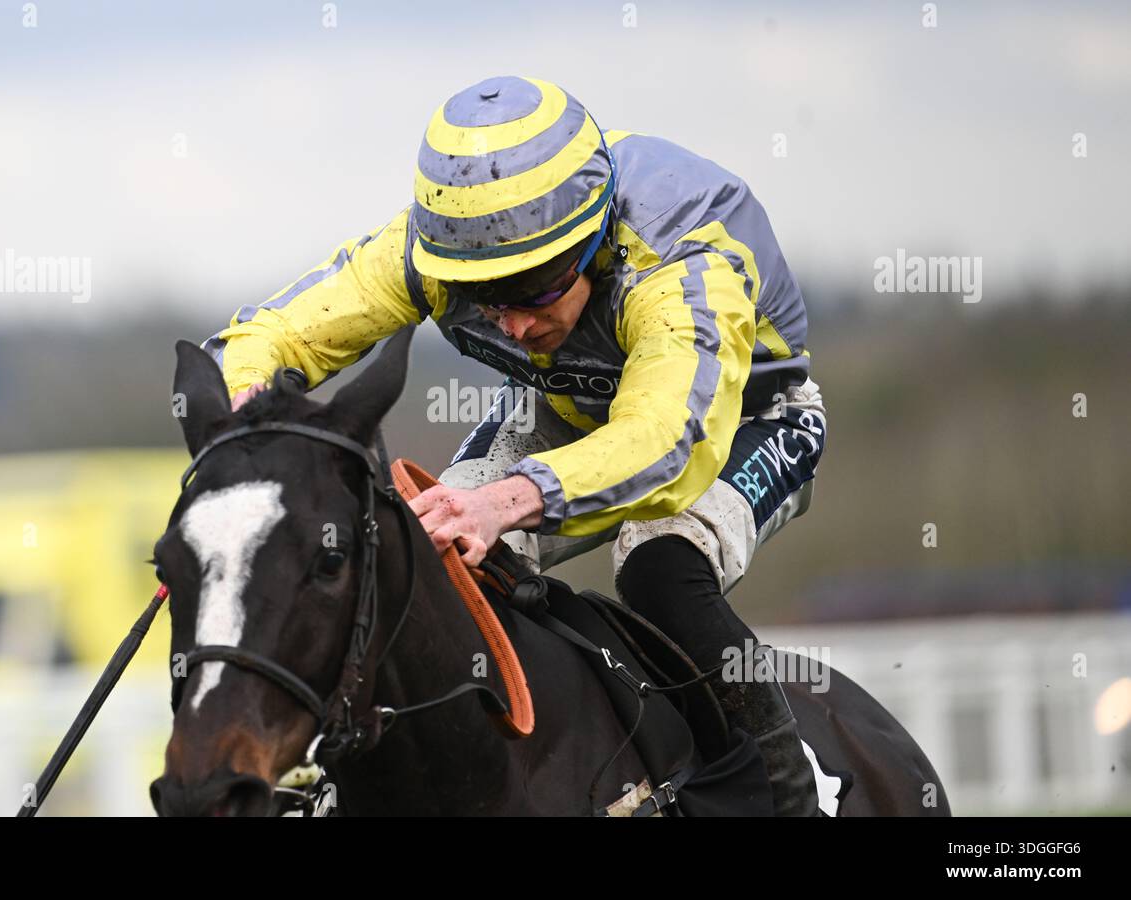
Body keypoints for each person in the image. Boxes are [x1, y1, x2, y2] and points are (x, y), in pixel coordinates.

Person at [204, 76, 825, 816]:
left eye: (535, 289)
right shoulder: (429, 254)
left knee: (659, 564)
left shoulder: (678, 260)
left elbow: (666, 439)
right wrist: (242, 413)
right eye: (486, 297)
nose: (514, 324)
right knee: (439, 563)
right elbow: (267, 335)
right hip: (566, 407)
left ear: (594, 239)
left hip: (738, 420)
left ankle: (792, 794)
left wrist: (505, 501)